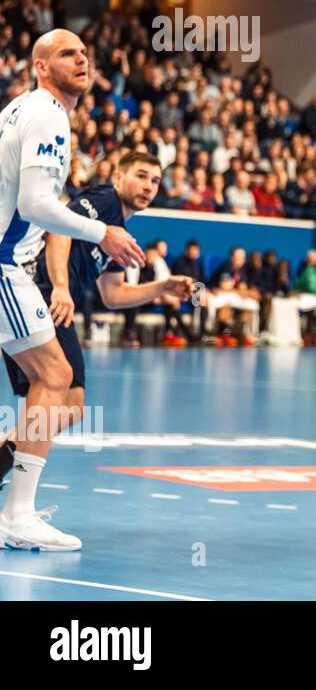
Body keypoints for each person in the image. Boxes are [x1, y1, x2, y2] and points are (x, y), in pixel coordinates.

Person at [0, 29, 145, 551]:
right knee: (56, 375)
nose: (81, 60)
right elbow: (38, 205)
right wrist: (101, 231)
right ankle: (16, 517)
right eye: (67, 54)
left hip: (9, 264)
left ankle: (17, 512)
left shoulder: (22, 110)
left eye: (85, 54)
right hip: (3, 264)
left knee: (56, 377)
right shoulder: (47, 115)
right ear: (41, 66)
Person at [2, 153, 193, 487]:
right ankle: (18, 497)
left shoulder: (118, 232)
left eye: (155, 181)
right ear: (118, 177)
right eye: (141, 176)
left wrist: (162, 287)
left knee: (65, 405)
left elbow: (113, 295)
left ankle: (8, 462)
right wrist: (61, 287)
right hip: (44, 293)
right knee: (63, 397)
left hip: (53, 300)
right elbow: (58, 230)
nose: (148, 186)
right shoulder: (106, 200)